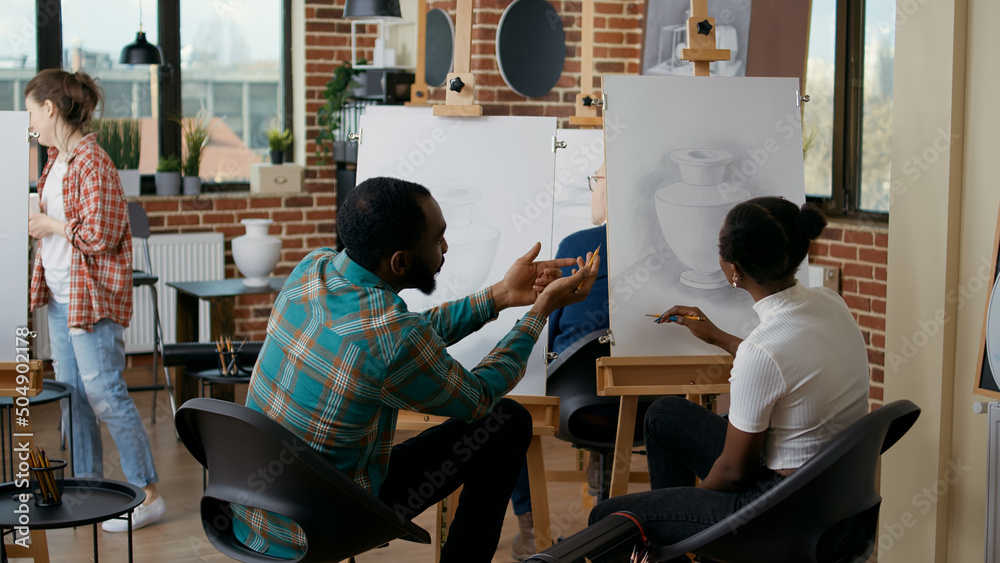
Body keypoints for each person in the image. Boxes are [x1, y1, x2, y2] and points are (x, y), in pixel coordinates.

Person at [232, 176, 600, 562]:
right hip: (324, 521)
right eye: (437, 238)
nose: (445, 247)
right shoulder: (392, 338)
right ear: (401, 261)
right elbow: (478, 398)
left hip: (256, 506)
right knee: (505, 422)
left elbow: (409, 336)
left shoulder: (314, 268)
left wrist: (501, 295)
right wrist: (539, 312)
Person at [587, 197, 869, 560]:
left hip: (780, 510)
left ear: (733, 269)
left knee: (606, 518)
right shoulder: (831, 303)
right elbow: (788, 360)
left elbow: (736, 472)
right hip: (831, 496)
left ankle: (693, 548)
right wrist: (718, 336)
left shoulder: (762, 352)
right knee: (663, 416)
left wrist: (683, 508)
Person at [25, 69, 165, 531]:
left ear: (50, 108)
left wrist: (49, 226)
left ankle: (148, 495)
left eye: (32, 112)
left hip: (92, 302)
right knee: (74, 398)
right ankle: (88, 490)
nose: (31, 123)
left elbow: (101, 234)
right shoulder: (56, 160)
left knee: (105, 394)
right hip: (63, 298)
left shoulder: (92, 160)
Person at [509, 163, 613, 560]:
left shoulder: (578, 245)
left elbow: (549, 335)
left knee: (509, 408)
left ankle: (532, 528)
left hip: (572, 407)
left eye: (596, 181)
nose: (592, 190)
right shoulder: (665, 250)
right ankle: (607, 467)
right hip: (648, 407)